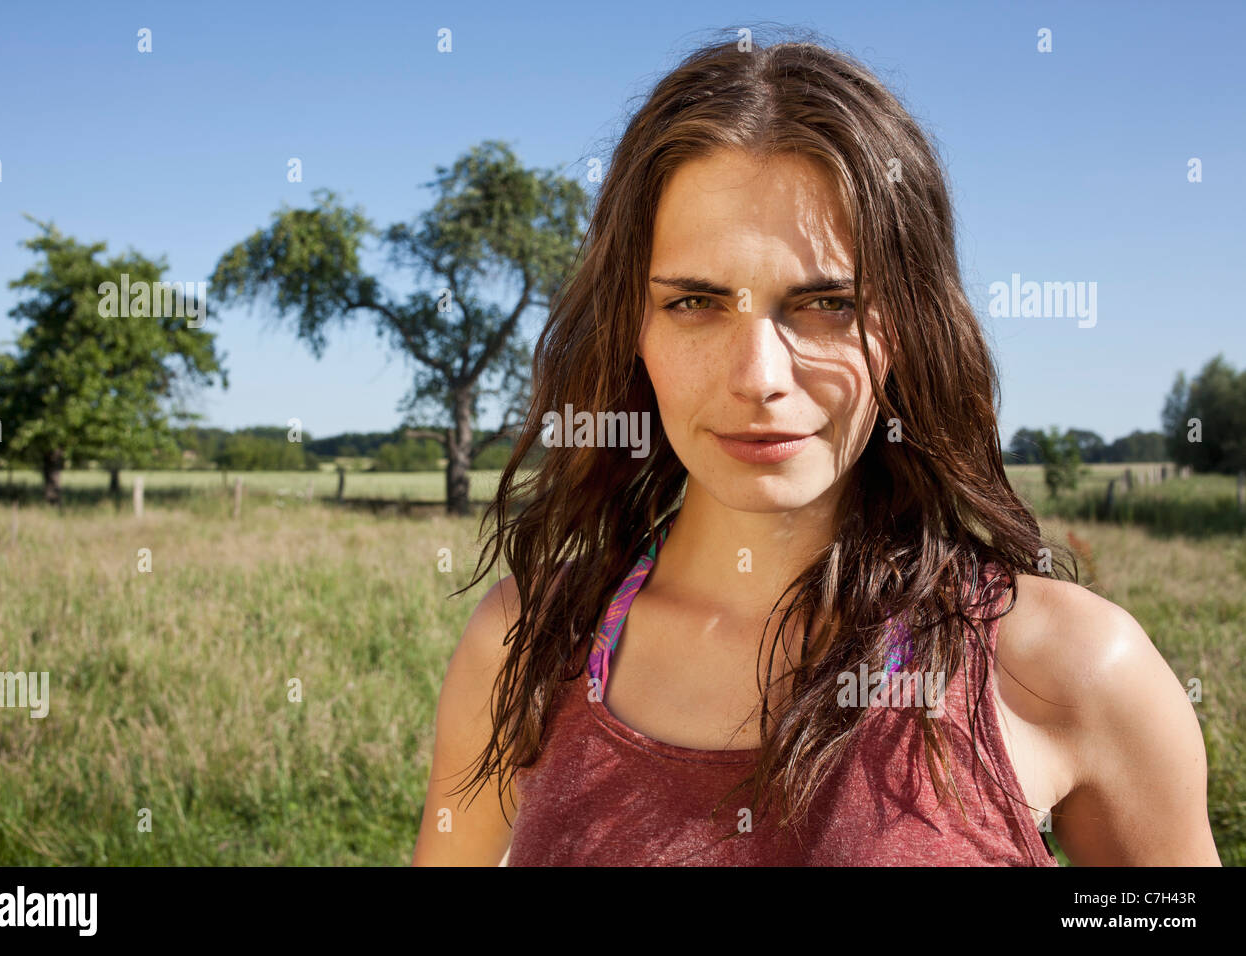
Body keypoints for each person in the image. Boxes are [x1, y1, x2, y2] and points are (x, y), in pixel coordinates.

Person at [410, 31, 1220, 866]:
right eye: (695, 301)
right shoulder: (526, 637)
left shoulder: (1072, 667)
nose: (759, 376)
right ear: (633, 330)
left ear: (906, 326)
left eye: (827, 302)